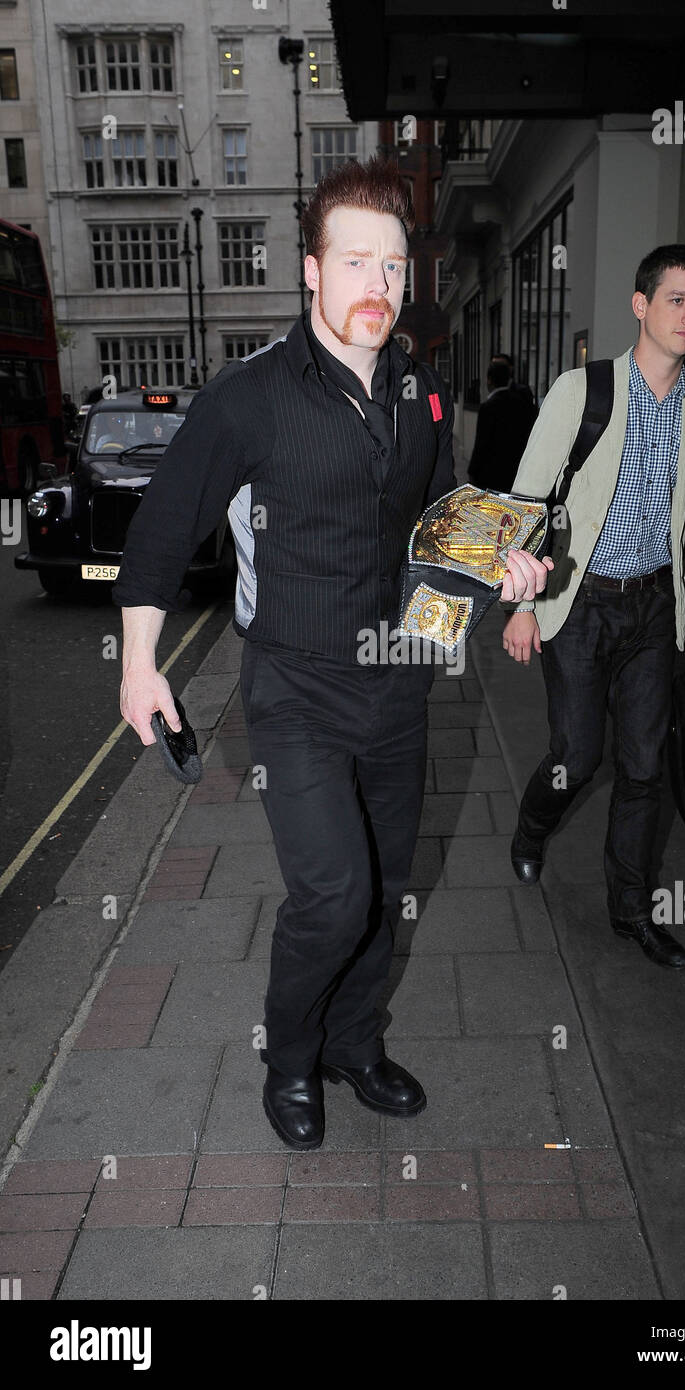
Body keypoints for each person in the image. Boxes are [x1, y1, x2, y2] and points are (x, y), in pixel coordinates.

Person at [113, 156, 549, 1150]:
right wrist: (141, 664)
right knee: (335, 891)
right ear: (311, 270)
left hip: (396, 686)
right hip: (294, 691)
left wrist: (496, 573)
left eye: (394, 268)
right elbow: (162, 527)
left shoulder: (424, 394)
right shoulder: (250, 397)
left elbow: (435, 536)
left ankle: (357, 1044)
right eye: (356, 263)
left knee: (388, 888)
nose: (378, 288)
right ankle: (291, 1056)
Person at [503, 244, 685, 970]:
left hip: (652, 606)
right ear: (642, 305)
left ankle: (631, 911)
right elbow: (527, 501)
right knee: (576, 757)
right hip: (580, 603)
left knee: (643, 768)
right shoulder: (583, 391)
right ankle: (530, 831)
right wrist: (519, 605)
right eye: (676, 299)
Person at [467, 358, 538, 492]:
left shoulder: (488, 407)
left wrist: (473, 471)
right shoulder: (523, 404)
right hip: (517, 471)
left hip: (491, 475)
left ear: (489, 380)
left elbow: (481, 444)